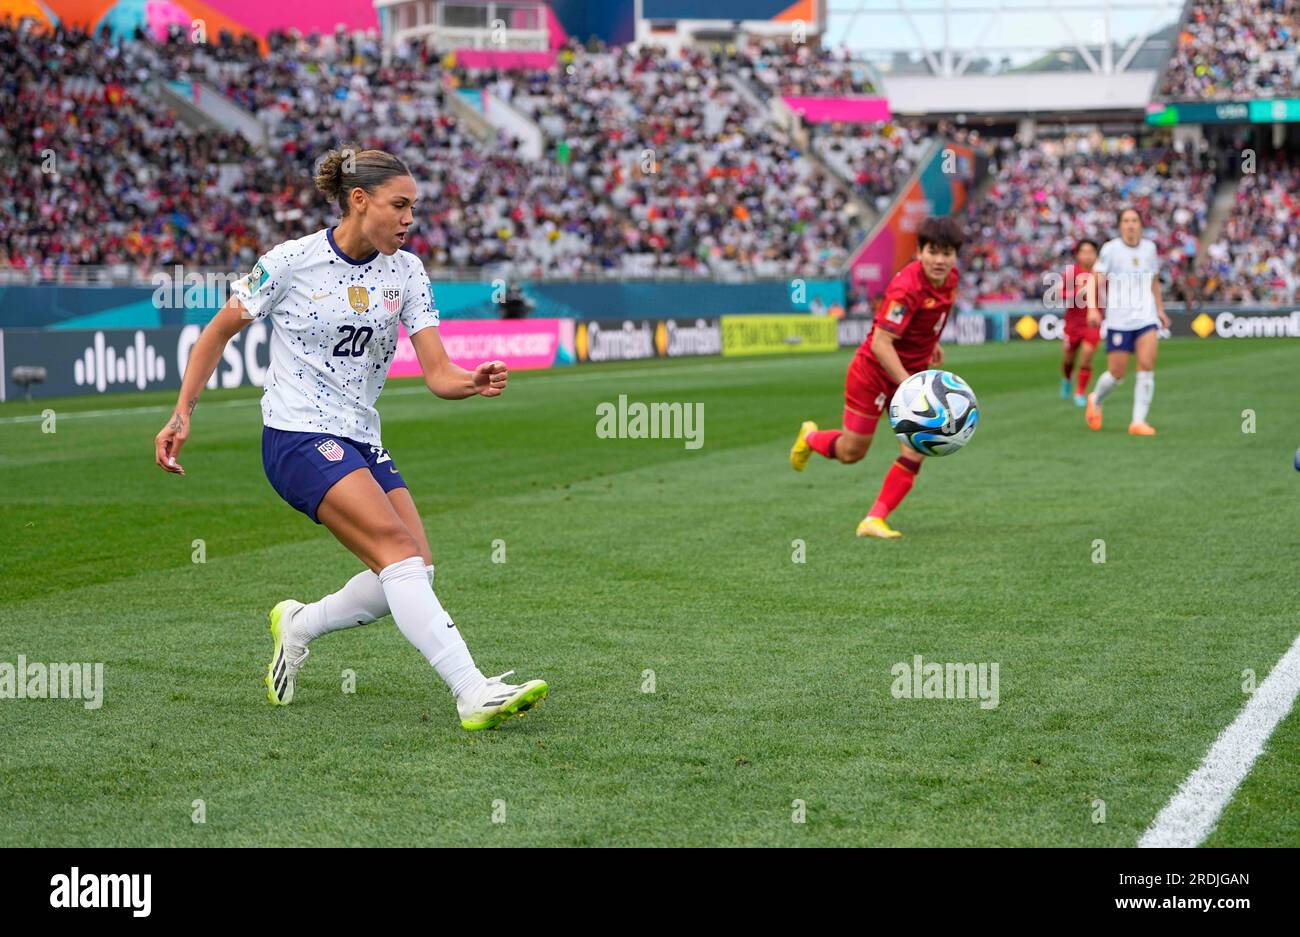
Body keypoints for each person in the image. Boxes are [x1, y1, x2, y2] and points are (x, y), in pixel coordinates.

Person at [153, 145, 548, 731]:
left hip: (360, 436)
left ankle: (299, 624)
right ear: (359, 201)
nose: (410, 219)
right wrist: (182, 413)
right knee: (398, 552)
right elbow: (216, 333)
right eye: (400, 205)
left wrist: (472, 380)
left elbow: (438, 374)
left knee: (417, 568)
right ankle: (471, 691)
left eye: (414, 207)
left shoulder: (406, 271)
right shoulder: (291, 261)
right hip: (296, 436)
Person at [788, 216, 963, 539]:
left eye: (947, 253)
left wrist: (932, 341)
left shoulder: (951, 279)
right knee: (852, 453)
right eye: (933, 252)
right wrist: (910, 387)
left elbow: (929, 316)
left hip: (910, 375)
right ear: (920, 251)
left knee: (915, 449)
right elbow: (882, 343)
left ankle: (874, 519)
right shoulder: (906, 287)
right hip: (874, 372)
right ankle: (811, 437)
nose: (940, 260)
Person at [1086, 207, 1171, 435]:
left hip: (1146, 316)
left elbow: (1154, 282)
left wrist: (1160, 310)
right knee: (1117, 373)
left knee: (1146, 365)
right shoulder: (1110, 250)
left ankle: (1138, 422)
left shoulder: (1149, 248)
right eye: (1126, 220)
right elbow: (1094, 281)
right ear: (1120, 225)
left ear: (1141, 224)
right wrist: (1093, 309)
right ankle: (1096, 398)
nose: (1131, 224)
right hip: (1119, 319)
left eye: (1135, 220)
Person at [1060, 239, 1103, 406]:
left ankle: (1080, 392)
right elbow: (1059, 294)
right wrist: (1075, 293)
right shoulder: (1071, 273)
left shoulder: (1101, 273)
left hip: (1092, 322)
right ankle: (1066, 379)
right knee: (1069, 358)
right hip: (1073, 324)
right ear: (1077, 255)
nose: (1087, 256)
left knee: (1087, 356)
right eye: (1083, 252)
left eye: (1090, 252)